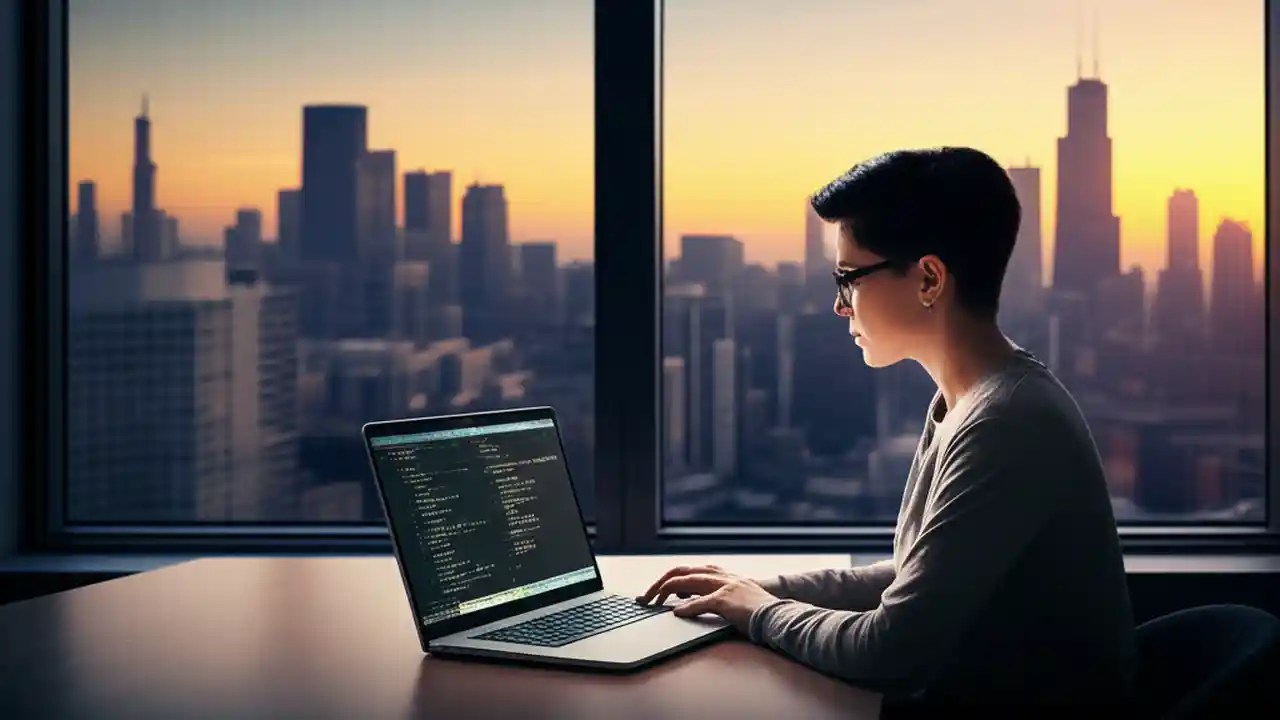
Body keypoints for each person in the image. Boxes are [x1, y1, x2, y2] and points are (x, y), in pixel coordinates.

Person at [637, 147, 1137, 712]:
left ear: (929, 279)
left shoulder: (1008, 422)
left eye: (849, 277)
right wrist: (758, 591)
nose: (838, 305)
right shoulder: (969, 399)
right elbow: (912, 579)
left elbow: (893, 649)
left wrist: (757, 611)